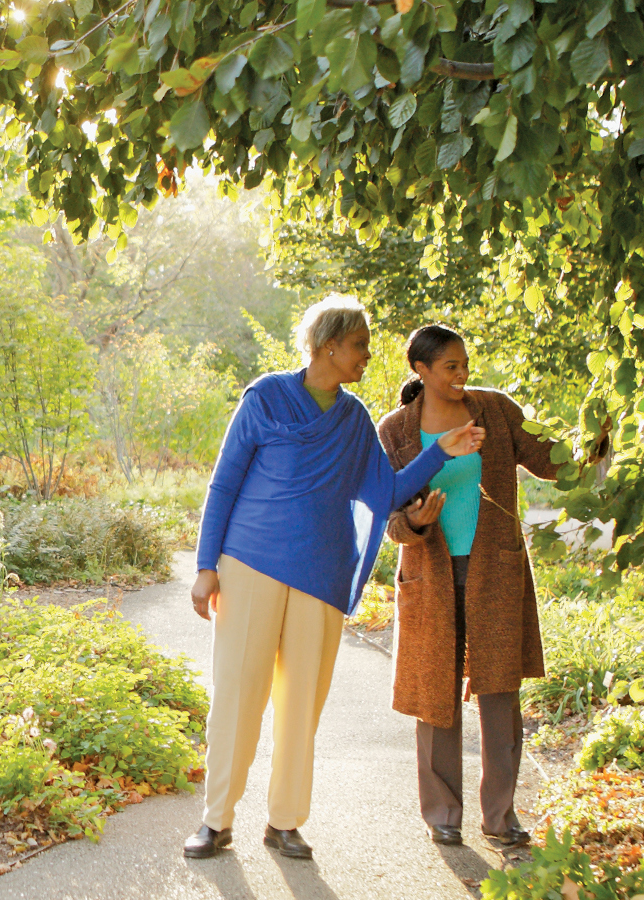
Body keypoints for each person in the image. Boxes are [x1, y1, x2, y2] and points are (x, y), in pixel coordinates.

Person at [184, 297, 485, 861]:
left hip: (320, 574)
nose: (367, 357)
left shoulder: (353, 420)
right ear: (329, 345)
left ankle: (284, 822)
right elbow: (223, 484)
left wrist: (439, 452)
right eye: (360, 346)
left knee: (302, 703)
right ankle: (216, 820)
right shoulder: (267, 395)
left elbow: (386, 492)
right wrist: (205, 567)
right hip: (249, 562)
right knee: (238, 696)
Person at [376, 324, 568, 850]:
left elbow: (549, 461)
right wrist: (415, 521)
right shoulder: (395, 430)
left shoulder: (495, 410)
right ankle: (443, 815)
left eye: (465, 364)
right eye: (450, 367)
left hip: (495, 571)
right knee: (435, 697)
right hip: (430, 577)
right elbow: (387, 517)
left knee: (501, 692)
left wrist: (597, 436)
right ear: (422, 370)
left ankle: (500, 817)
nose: (462, 375)